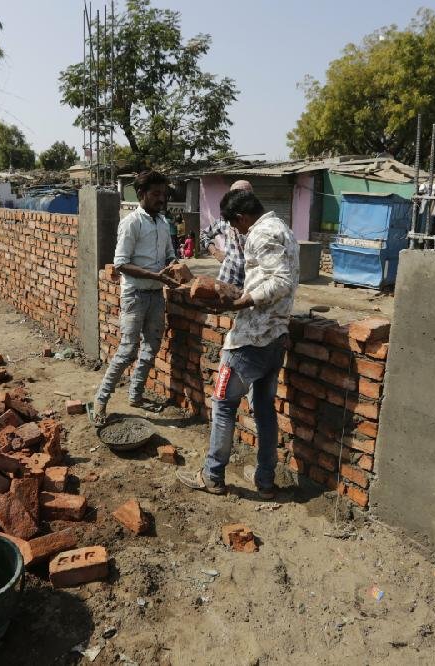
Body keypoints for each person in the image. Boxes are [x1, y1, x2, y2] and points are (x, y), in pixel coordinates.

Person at [178, 190, 300, 499]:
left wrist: (245, 298)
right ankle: (265, 480)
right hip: (275, 338)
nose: (238, 232)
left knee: (223, 406)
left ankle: (212, 475)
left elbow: (281, 280)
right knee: (264, 410)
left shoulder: (260, 234)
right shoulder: (284, 230)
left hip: (251, 341)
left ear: (241, 218)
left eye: (236, 226)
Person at [90, 170, 181, 426]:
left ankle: (136, 395)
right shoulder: (132, 222)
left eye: (164, 194)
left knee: (151, 346)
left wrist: (174, 266)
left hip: (156, 294)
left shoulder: (163, 223)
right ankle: (100, 400)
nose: (161, 199)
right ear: (141, 194)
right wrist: (158, 275)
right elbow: (120, 264)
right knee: (128, 350)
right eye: (155, 194)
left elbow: (169, 255)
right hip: (135, 294)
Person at [199, 180, 252, 288]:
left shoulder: (259, 223)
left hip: (250, 283)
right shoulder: (226, 221)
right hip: (227, 279)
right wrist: (215, 252)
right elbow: (204, 234)